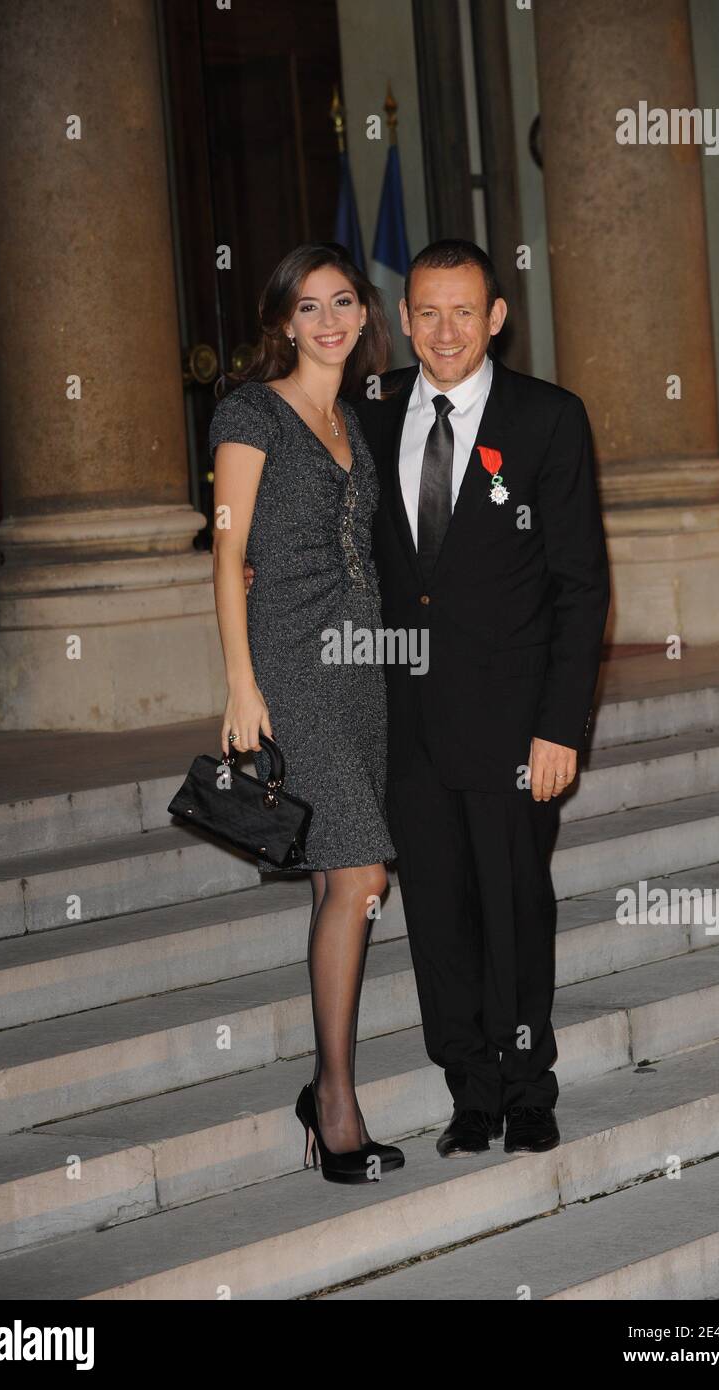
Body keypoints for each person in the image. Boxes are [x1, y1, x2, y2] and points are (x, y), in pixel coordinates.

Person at [354, 239, 610, 1159]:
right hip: (404, 725)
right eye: (426, 311)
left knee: (514, 907)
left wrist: (559, 726)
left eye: (464, 311)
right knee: (438, 913)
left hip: (511, 721)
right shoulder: (370, 412)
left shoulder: (547, 420)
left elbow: (579, 587)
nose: (445, 330)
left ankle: (526, 1088)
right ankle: (468, 1090)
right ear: (406, 316)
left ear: (496, 316)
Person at [209, 243, 404, 1184]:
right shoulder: (250, 413)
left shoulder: (359, 418)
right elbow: (225, 552)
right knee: (360, 869)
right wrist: (243, 684)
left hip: (361, 666)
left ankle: (325, 1086)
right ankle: (334, 1105)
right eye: (307, 306)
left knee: (350, 881)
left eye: (342, 302)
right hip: (289, 662)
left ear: (365, 315)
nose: (326, 320)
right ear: (282, 322)